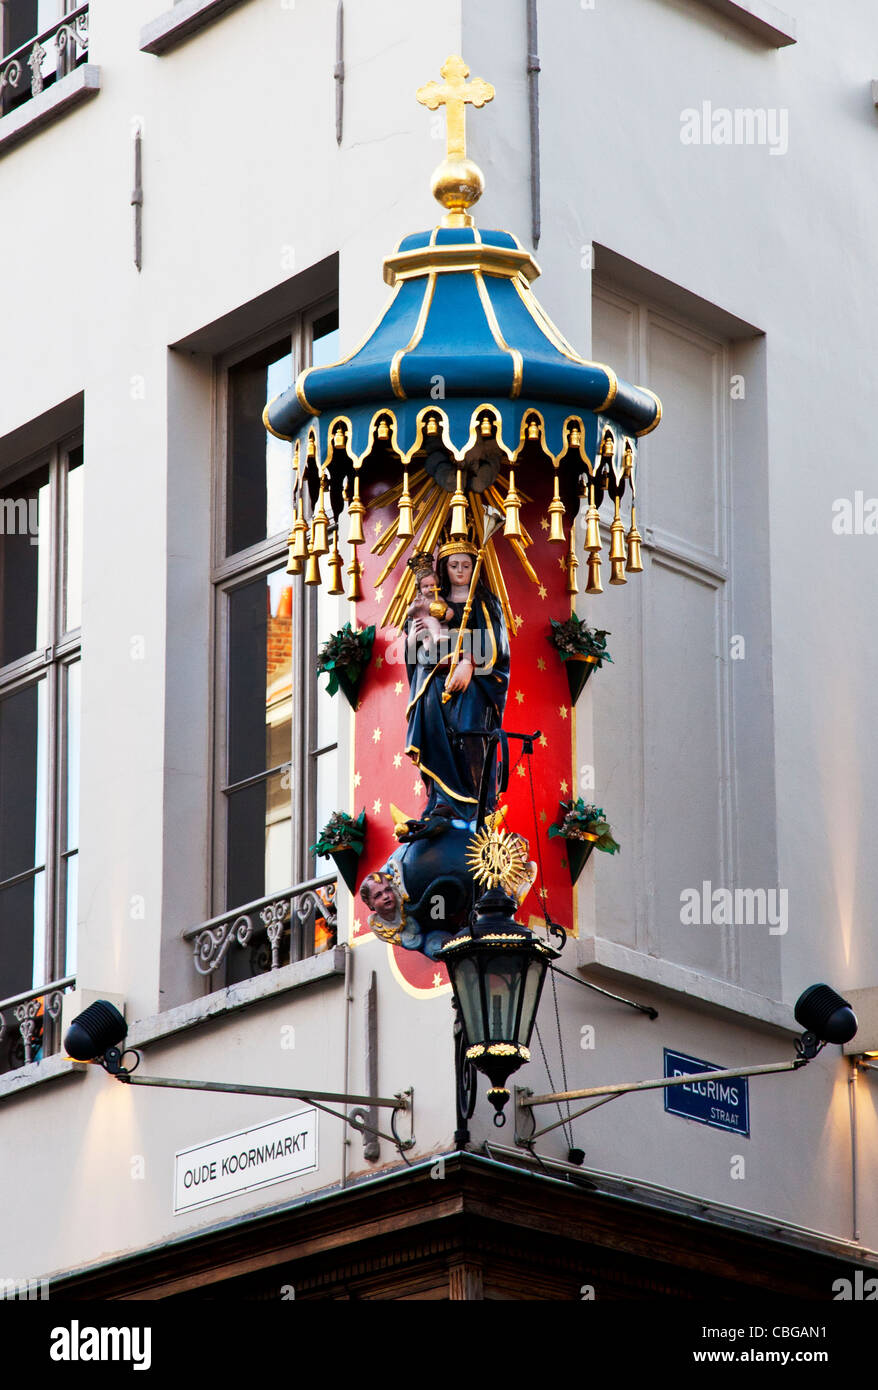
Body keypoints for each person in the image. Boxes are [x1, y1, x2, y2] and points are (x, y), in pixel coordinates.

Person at [405, 536, 509, 821]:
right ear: (443, 568)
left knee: (469, 735)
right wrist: (415, 638)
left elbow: (497, 646)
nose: (460, 571)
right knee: (436, 738)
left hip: (472, 688)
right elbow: (414, 646)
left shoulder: (484, 603)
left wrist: (469, 662)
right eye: (453, 565)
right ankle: (442, 799)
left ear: (475, 567)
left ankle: (476, 803)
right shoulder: (432, 602)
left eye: (466, 565)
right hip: (434, 686)